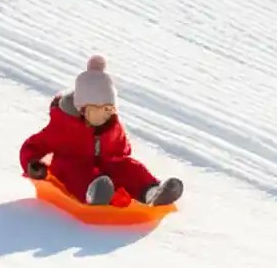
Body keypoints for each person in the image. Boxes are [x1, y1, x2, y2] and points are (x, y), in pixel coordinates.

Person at [19, 56, 184, 206]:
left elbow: (123, 149)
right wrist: (32, 165)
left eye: (107, 109)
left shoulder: (112, 124)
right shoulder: (63, 125)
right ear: (81, 108)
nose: (103, 115)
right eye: (96, 109)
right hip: (74, 164)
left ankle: (152, 192)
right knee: (77, 174)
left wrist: (120, 160)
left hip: (108, 164)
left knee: (130, 168)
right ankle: (94, 194)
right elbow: (33, 145)